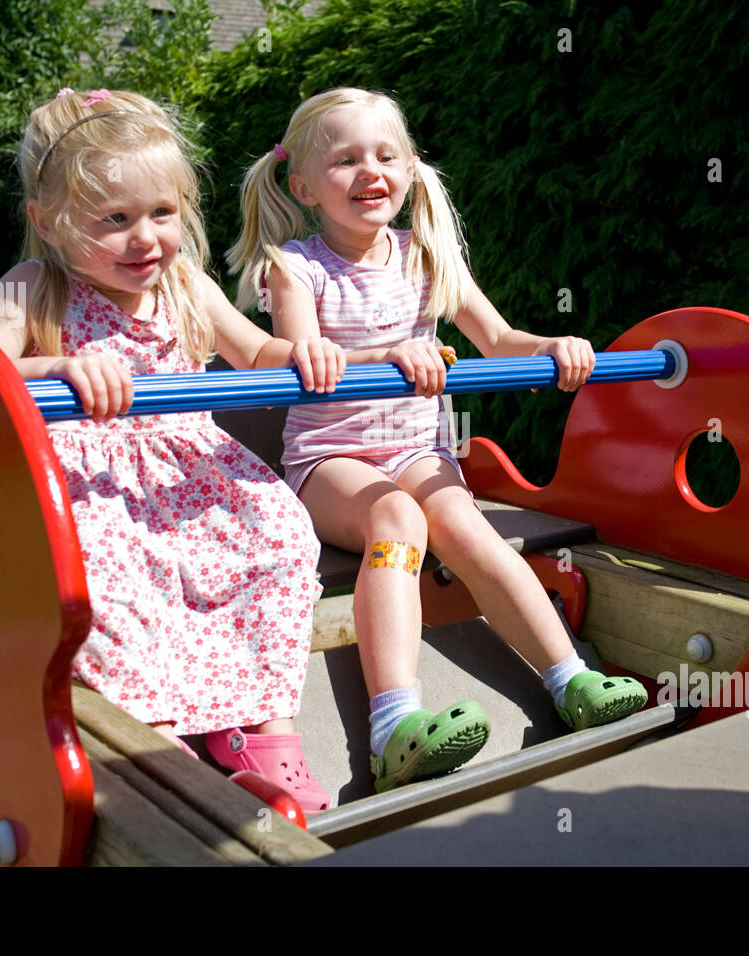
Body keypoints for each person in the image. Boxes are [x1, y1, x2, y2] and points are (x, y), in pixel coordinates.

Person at [228, 88, 647, 793]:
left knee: (467, 527)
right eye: (346, 160)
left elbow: (500, 337)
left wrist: (553, 345)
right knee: (398, 521)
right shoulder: (293, 266)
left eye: (386, 156)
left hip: (420, 452)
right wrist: (388, 358)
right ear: (302, 186)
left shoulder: (424, 257)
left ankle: (573, 681)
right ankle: (394, 727)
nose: (371, 172)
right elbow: (302, 360)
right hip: (332, 462)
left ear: (412, 168)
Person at [0, 88, 347, 813]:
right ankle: (155, 734)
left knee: (278, 537)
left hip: (191, 473)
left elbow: (257, 351)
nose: (144, 238)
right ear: (47, 222)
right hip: (90, 484)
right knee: (110, 571)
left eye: (162, 213)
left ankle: (262, 733)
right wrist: (55, 367)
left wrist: (305, 351)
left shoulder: (184, 284)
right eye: (114, 220)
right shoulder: (36, 288)